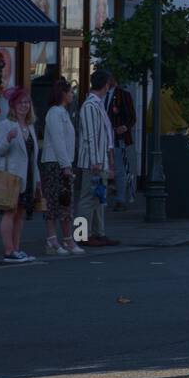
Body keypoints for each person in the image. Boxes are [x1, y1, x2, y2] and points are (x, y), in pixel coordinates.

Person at [0, 87, 43, 262]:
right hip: (12, 176)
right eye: (20, 102)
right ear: (13, 105)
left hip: (27, 176)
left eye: (27, 102)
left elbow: (32, 156)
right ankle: (9, 250)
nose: (24, 106)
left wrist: (37, 180)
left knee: (20, 213)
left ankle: (16, 248)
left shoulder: (29, 126)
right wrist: (8, 139)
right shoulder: (6, 124)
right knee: (10, 212)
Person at [42, 79, 84, 256]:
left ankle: (66, 239)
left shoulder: (63, 113)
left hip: (61, 162)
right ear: (63, 94)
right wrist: (66, 165)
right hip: (55, 163)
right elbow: (58, 140)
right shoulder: (55, 113)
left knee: (65, 201)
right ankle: (54, 239)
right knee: (55, 201)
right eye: (70, 92)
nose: (72, 95)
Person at [77, 69, 118, 247]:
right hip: (92, 161)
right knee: (88, 198)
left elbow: (105, 136)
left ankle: (98, 232)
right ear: (106, 85)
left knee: (99, 198)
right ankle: (81, 234)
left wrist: (108, 161)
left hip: (100, 159)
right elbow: (91, 136)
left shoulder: (98, 104)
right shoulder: (90, 106)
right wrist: (96, 160)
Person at [105, 77, 137, 212]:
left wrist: (124, 127)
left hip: (119, 138)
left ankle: (120, 199)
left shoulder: (123, 95)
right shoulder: (99, 95)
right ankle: (102, 198)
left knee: (120, 169)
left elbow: (132, 117)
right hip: (104, 138)